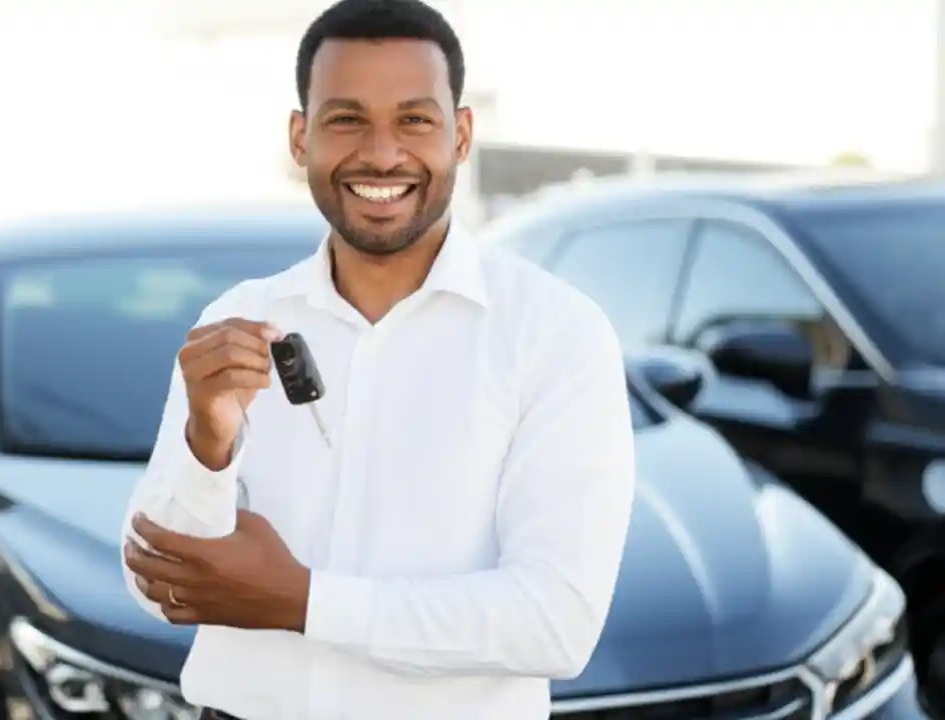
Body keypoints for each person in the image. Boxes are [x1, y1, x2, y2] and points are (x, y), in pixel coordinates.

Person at [120, 1, 636, 718]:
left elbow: (555, 621)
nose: (382, 153)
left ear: (461, 134)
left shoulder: (557, 335)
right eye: (347, 119)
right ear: (302, 138)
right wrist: (207, 447)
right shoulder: (238, 320)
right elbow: (156, 587)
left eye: (415, 120)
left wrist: (303, 601)